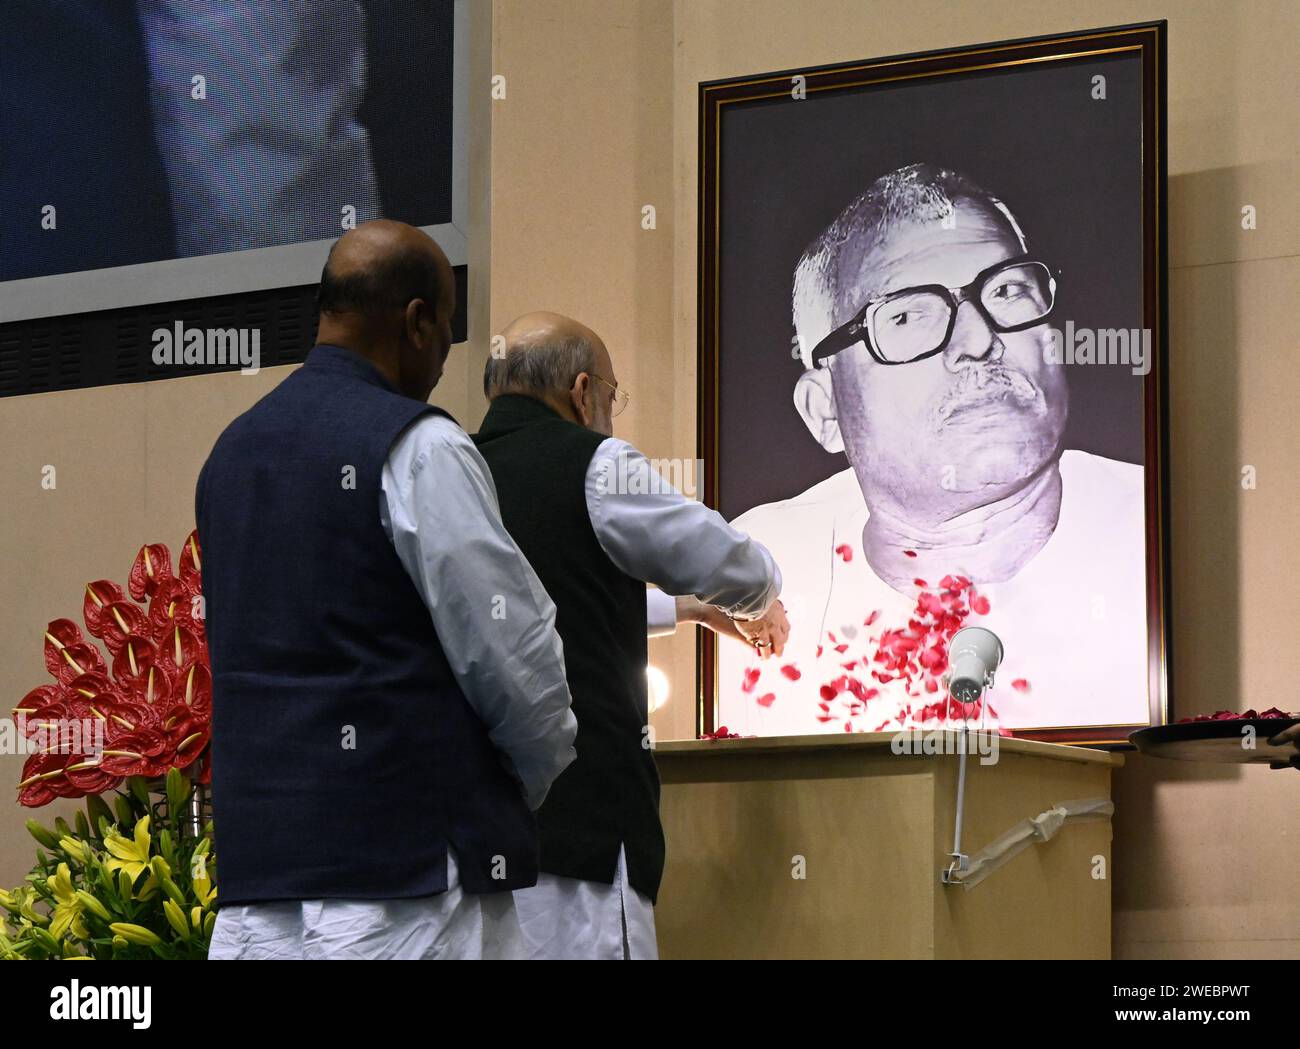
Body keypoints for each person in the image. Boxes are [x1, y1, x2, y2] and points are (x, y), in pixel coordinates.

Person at [196, 222, 577, 959]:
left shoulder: (229, 454)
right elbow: (514, 653)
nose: (440, 360)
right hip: (407, 889)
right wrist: (515, 783)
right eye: (446, 333)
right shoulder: (418, 444)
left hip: (259, 892)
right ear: (417, 320)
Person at [720, 163, 1147, 736]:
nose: (979, 341)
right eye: (906, 317)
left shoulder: (1155, 533)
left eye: (1007, 290)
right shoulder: (759, 569)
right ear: (826, 411)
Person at [474, 311, 787, 959]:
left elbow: (536, 608)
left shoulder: (454, 473)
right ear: (583, 392)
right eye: (613, 397)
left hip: (476, 848)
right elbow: (729, 562)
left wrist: (693, 612)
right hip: (581, 840)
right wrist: (764, 594)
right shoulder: (594, 463)